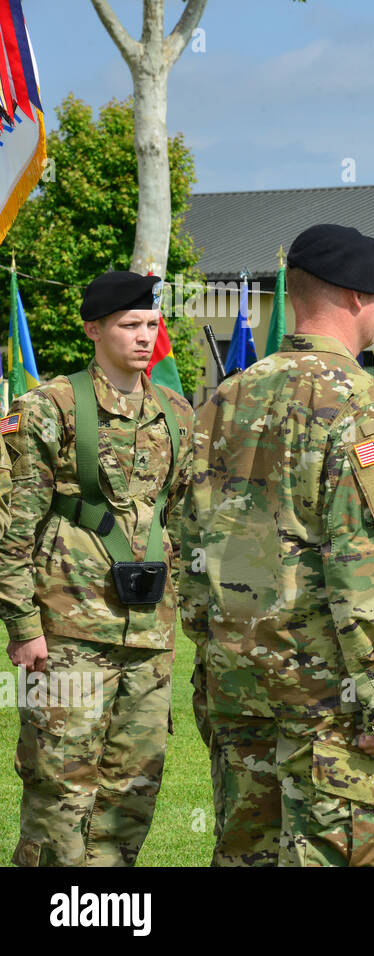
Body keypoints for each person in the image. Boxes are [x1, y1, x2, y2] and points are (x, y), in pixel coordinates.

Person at [180, 224, 374, 867]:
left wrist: (214, 658)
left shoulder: (228, 395)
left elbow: (189, 548)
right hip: (329, 704)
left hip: (239, 688)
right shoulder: (357, 401)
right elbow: (368, 573)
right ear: (357, 299)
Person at [2, 271, 193, 867]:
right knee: (61, 792)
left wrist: (186, 609)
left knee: (131, 793)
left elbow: (184, 519)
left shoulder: (175, 411)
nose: (144, 337)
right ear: (94, 329)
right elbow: (14, 527)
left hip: (149, 635)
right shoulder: (47, 407)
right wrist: (22, 626)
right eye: (130, 325)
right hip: (67, 633)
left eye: (151, 325)